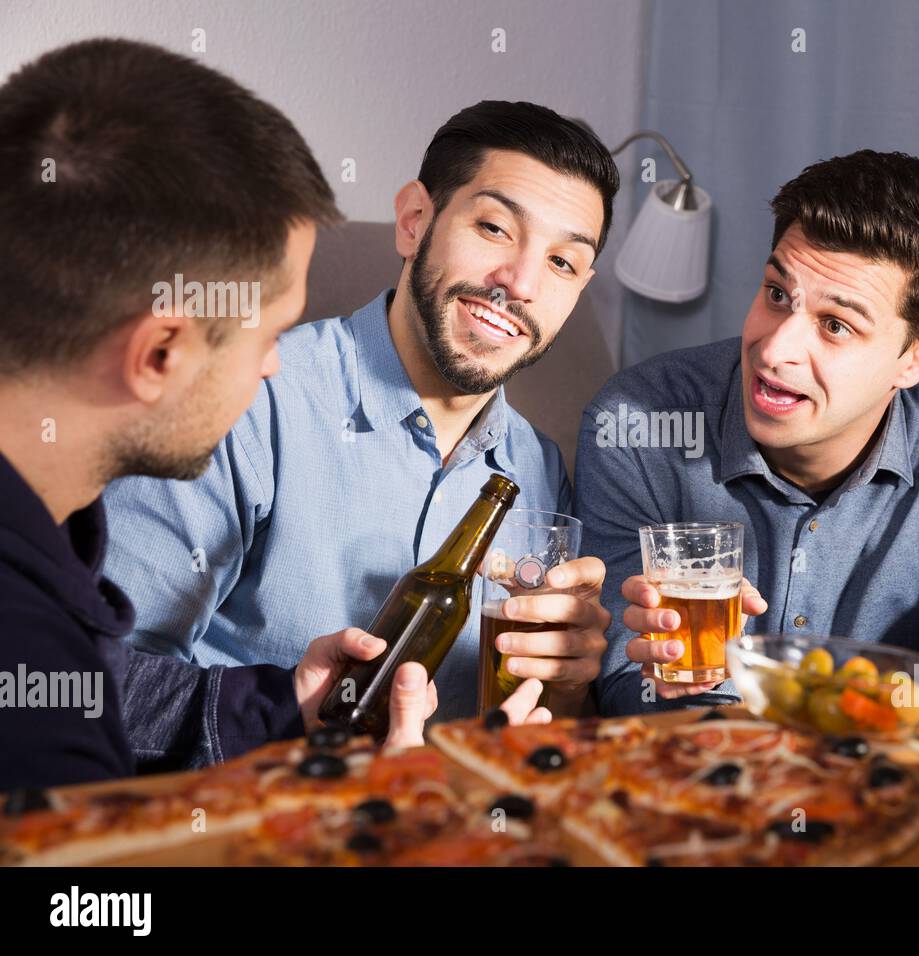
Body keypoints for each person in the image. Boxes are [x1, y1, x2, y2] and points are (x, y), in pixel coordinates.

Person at [0, 39, 547, 790]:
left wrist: (279, 704)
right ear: (160, 355)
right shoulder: (42, 711)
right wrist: (385, 825)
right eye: (263, 337)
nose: (275, 362)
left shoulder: (48, 564)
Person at [101, 99, 618, 721]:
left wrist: (566, 687)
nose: (522, 283)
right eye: (494, 228)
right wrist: (281, 709)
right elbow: (98, 678)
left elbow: (538, 722)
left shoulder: (538, 468)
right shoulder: (245, 402)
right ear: (415, 221)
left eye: (562, 262)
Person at [577, 149, 919, 720]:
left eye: (835, 326)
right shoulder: (638, 424)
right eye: (777, 294)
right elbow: (622, 688)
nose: (775, 349)